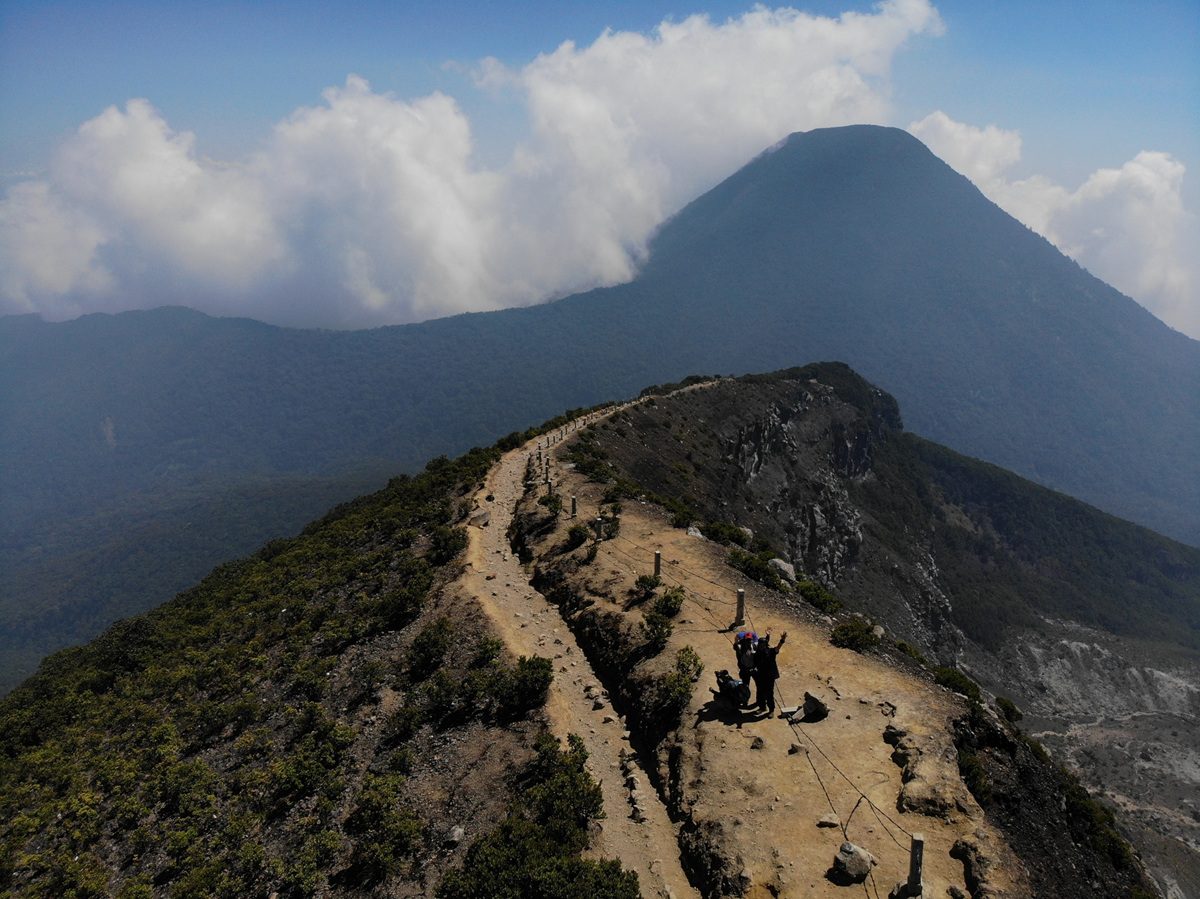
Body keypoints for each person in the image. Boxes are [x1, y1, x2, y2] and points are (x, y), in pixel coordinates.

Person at [752, 630, 788, 716]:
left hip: (769, 677)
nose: (760, 646)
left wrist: (782, 640)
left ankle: (771, 710)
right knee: (760, 692)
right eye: (759, 644)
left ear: (765, 645)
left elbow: (777, 648)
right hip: (760, 676)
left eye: (762, 644)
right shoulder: (757, 653)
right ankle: (762, 707)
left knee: (769, 694)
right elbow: (755, 663)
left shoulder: (771, 652)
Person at [734, 632, 756, 705]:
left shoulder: (754, 646)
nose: (748, 641)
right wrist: (736, 641)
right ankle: (745, 700)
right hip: (745, 669)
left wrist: (768, 636)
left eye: (750, 640)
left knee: (759, 685)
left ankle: (761, 702)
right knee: (745, 686)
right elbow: (735, 646)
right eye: (747, 640)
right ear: (744, 640)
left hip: (753, 669)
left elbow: (763, 646)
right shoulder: (740, 647)